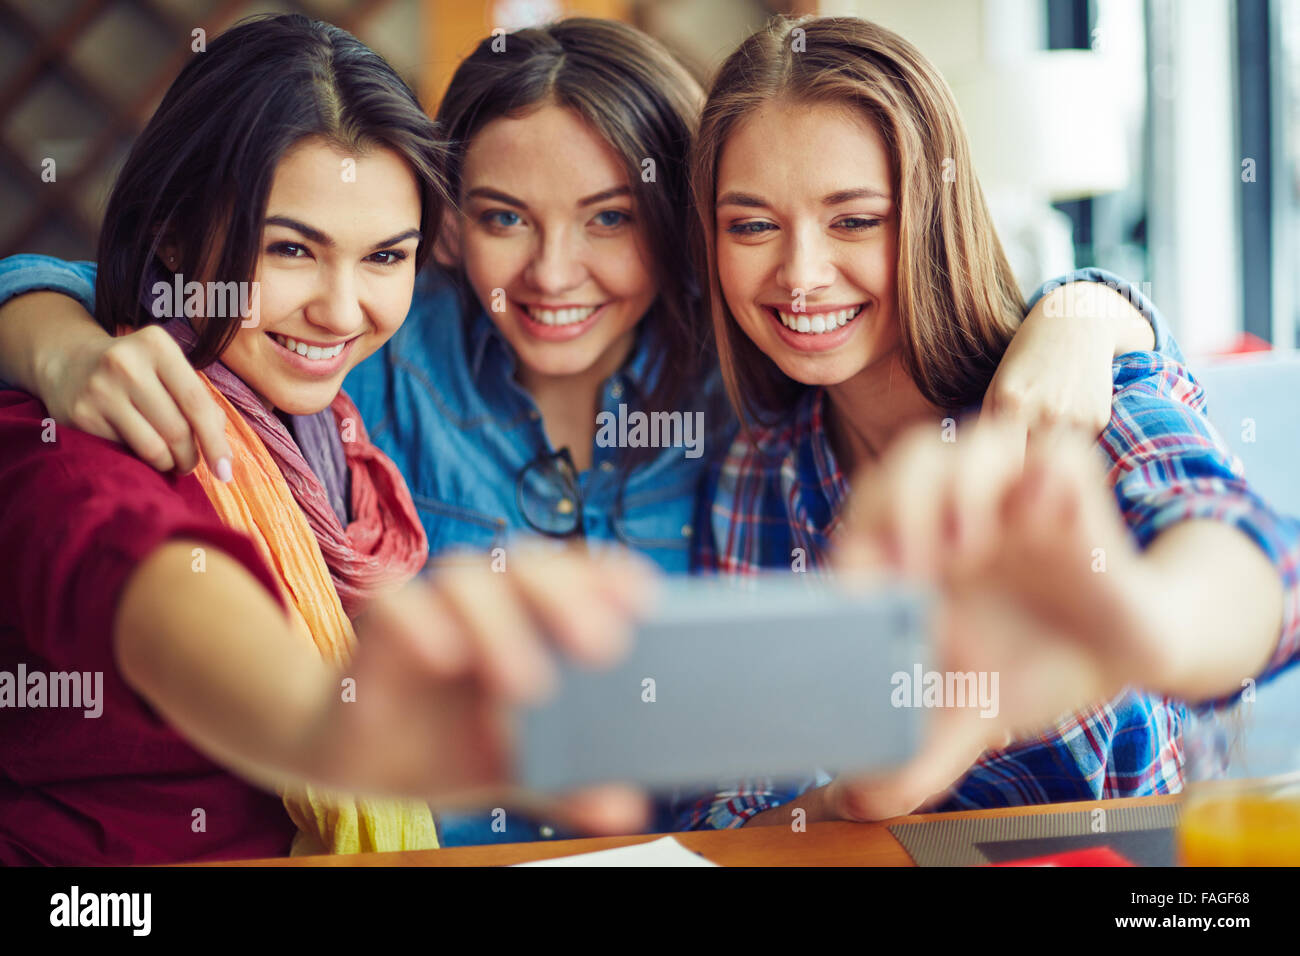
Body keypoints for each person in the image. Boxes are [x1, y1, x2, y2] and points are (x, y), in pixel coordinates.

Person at [0, 16, 1164, 844]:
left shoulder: (744, 376)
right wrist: (52, 334)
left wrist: (1092, 307)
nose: (554, 274)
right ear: (447, 234)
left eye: (609, 218)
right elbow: (154, 301)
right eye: (503, 217)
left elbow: (926, 322)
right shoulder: (376, 347)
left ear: (678, 224)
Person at [0, 13, 651, 866]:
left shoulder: (329, 426)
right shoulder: (78, 425)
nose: (342, 311)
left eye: (385, 258)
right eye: (290, 249)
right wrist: (328, 726)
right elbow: (139, 568)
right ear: (172, 233)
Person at [678, 15, 1300, 829]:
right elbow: (729, 809)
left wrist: (1142, 624)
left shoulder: (1073, 383)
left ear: (933, 217)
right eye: (752, 225)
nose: (800, 275)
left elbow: (1254, 566)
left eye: (855, 220)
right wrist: (863, 797)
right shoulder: (756, 472)